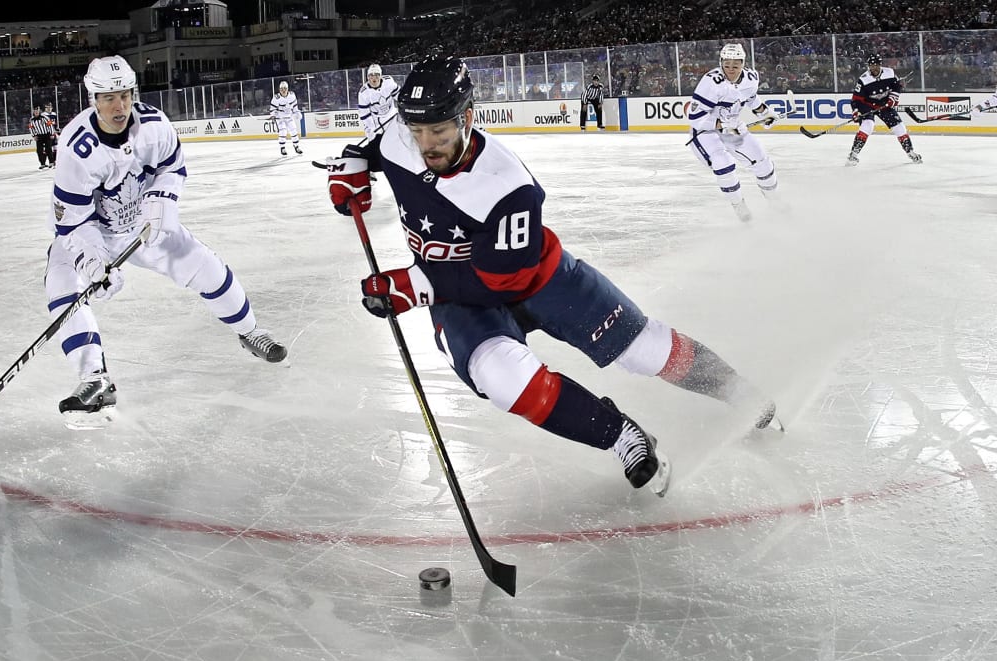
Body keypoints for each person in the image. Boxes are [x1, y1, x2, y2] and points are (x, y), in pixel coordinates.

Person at [323, 55, 779, 496]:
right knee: (501, 377)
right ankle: (622, 436)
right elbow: (369, 147)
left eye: (438, 130)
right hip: (460, 300)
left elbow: (498, 282)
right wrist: (352, 168)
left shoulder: (507, 187)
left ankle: (741, 392)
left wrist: (417, 285)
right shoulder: (403, 138)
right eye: (417, 130)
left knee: (645, 349)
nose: (426, 145)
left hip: (539, 280)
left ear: (468, 117)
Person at [46, 55, 286, 428]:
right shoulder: (76, 148)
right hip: (91, 234)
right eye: (108, 97)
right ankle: (94, 379)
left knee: (205, 265)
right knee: (62, 288)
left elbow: (173, 168)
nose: (119, 105)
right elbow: (73, 222)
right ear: (92, 98)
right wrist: (92, 263)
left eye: (124, 94)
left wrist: (162, 200)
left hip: (145, 227)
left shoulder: (154, 125)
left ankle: (250, 331)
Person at [686, 43, 780, 222]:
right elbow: (695, 118)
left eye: (735, 65)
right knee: (723, 164)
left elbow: (751, 98)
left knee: (762, 161)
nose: (730, 69)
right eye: (726, 65)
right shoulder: (710, 82)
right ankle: (739, 206)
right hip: (706, 131)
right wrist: (722, 124)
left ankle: (775, 201)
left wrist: (765, 112)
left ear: (743, 64)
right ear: (721, 62)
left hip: (734, 127)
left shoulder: (751, 78)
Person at [846, 55, 922, 166]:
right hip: (868, 106)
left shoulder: (890, 73)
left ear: (880, 65)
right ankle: (853, 154)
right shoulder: (863, 79)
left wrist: (893, 98)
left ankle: (910, 151)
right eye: (871, 65)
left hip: (884, 105)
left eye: (876, 65)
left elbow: (897, 86)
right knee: (868, 125)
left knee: (899, 127)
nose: (874, 68)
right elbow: (856, 100)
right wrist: (856, 112)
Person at [357, 64, 399, 140]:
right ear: (367, 77)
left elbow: (399, 96)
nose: (374, 78)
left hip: (392, 115)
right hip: (377, 120)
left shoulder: (389, 82)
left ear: (380, 76)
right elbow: (364, 114)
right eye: (371, 75)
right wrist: (370, 128)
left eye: (376, 75)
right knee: (376, 143)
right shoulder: (364, 93)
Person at [270, 80, 303, 156]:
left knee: (293, 130)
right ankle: (282, 148)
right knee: (283, 131)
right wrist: (273, 115)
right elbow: (273, 108)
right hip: (280, 118)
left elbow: (295, 106)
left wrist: (297, 112)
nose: (283, 90)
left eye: (285, 88)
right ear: (279, 89)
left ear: (287, 89)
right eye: (281, 89)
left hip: (289, 117)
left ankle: (296, 146)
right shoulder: (276, 98)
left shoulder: (292, 95)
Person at [28, 105, 57, 169]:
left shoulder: (44, 117)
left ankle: (51, 162)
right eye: (35, 111)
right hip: (39, 136)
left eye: (37, 111)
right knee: (39, 150)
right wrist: (34, 135)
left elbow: (50, 126)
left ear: (39, 111)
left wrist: (52, 134)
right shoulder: (32, 119)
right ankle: (42, 163)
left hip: (46, 135)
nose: (36, 112)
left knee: (48, 149)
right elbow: (31, 128)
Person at [42, 102, 60, 166]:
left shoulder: (54, 114)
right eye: (47, 107)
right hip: (46, 134)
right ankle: (43, 163)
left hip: (53, 133)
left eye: (50, 107)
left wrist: (56, 130)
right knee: (46, 148)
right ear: (45, 108)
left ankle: (54, 161)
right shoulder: (43, 115)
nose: (49, 108)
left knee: (55, 147)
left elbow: (55, 123)